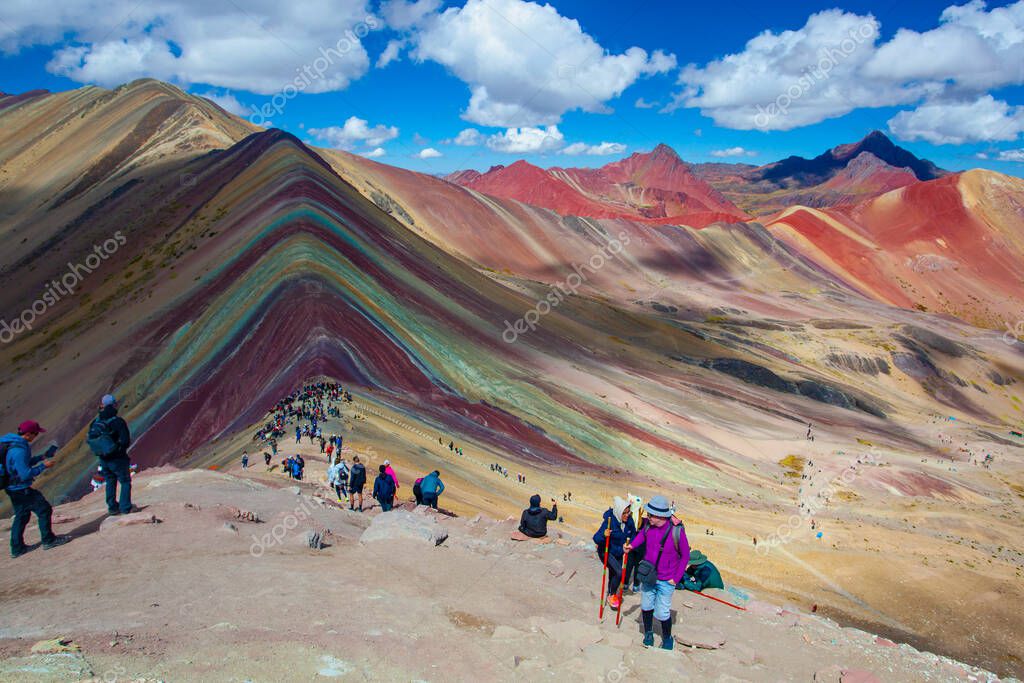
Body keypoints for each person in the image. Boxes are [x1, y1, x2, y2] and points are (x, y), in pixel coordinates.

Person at [623, 495, 689, 651]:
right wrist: (631, 546)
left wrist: (676, 578)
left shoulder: (676, 532)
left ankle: (667, 638)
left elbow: (685, 555)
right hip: (649, 575)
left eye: (651, 514)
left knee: (662, 612)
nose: (648, 516)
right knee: (646, 606)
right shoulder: (648, 527)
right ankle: (649, 633)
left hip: (667, 579)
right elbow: (641, 536)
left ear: (660, 516)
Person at [3, 420, 69, 557]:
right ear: (28, 434)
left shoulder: (12, 443)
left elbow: (21, 464)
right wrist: (44, 466)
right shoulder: (19, 450)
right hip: (21, 489)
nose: (36, 436)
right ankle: (48, 540)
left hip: (12, 488)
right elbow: (25, 473)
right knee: (44, 509)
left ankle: (17, 548)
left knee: (21, 515)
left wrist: (42, 457)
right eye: (35, 434)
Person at [86, 395, 133, 515]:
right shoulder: (117, 421)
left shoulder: (96, 422)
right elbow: (125, 440)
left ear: (102, 405)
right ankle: (125, 508)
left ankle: (112, 507)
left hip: (103, 458)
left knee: (110, 481)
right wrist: (119, 449)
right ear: (114, 405)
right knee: (125, 481)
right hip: (117, 458)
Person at [593, 496, 636, 609]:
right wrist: (604, 535)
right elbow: (596, 538)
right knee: (619, 572)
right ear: (618, 512)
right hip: (606, 551)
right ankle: (612, 595)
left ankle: (611, 592)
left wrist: (629, 543)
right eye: (624, 513)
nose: (627, 515)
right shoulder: (609, 522)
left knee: (614, 573)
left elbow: (633, 535)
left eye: (628, 512)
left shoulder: (629, 521)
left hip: (619, 551)